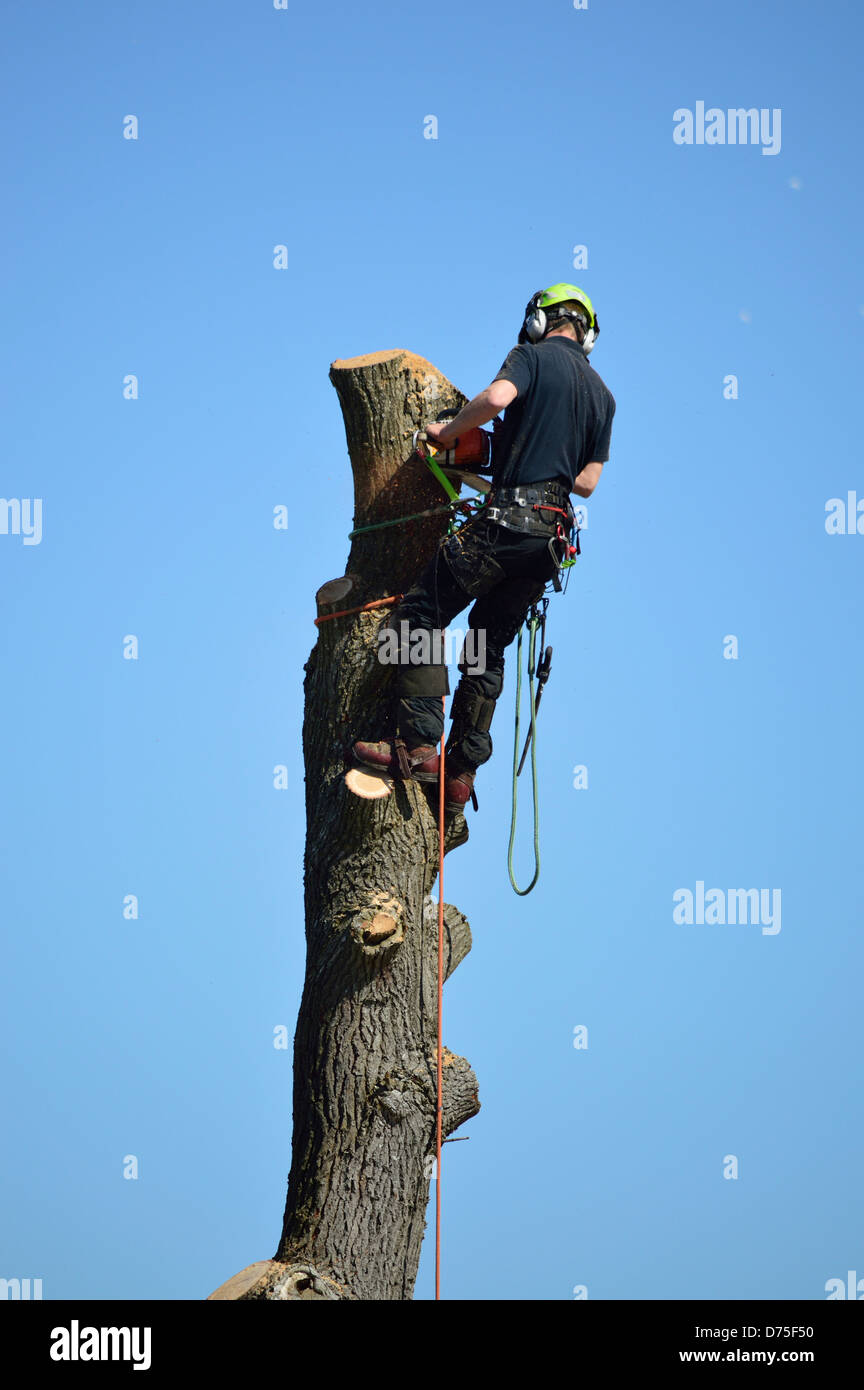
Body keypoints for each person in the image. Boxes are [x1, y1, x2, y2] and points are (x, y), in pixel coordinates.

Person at [352, 283, 616, 812]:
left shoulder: (530, 357)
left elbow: (497, 399)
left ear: (540, 321)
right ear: (586, 334)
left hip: (507, 520)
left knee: (420, 614)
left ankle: (421, 745)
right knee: (486, 646)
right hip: (551, 539)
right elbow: (586, 482)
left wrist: (450, 433)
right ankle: (461, 774)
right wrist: (513, 452)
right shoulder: (603, 396)